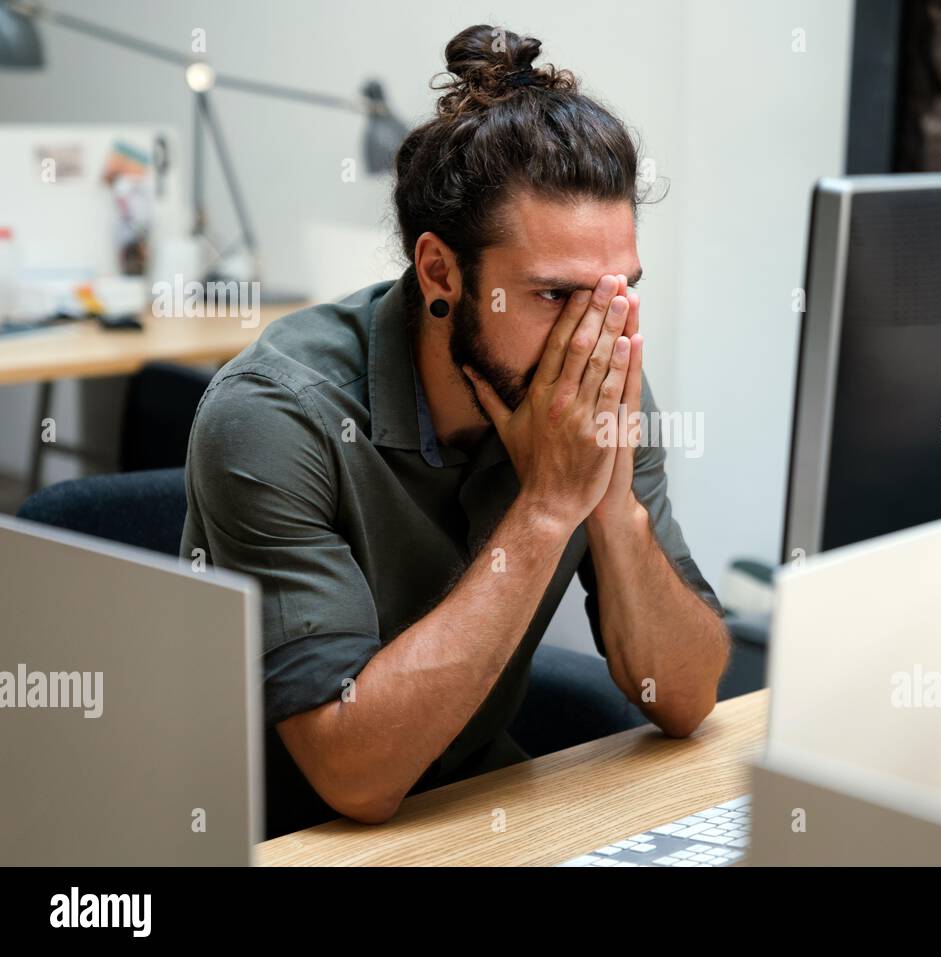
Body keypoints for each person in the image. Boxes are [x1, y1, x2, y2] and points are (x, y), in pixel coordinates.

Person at [180, 23, 731, 838]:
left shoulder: (594, 377)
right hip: (274, 839)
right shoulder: (271, 416)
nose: (598, 334)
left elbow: (684, 698)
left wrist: (610, 504)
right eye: (554, 295)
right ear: (441, 272)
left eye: (619, 291)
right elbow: (353, 778)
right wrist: (548, 509)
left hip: (476, 817)